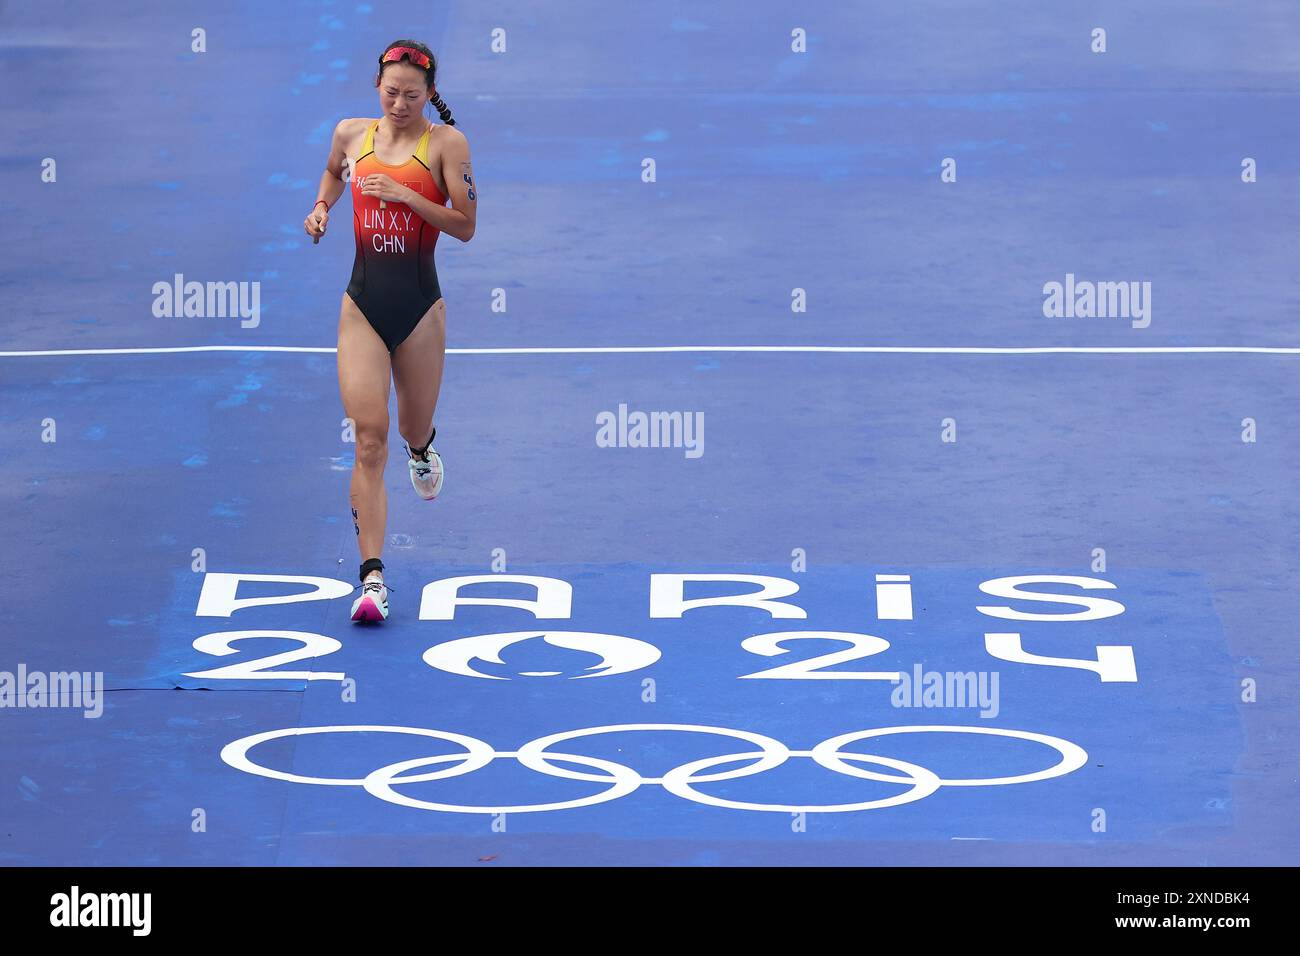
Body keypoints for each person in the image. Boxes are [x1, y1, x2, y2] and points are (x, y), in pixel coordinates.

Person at [304, 39, 477, 622]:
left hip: (421, 309)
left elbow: (466, 226)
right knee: (369, 438)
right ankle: (372, 579)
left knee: (409, 427)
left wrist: (403, 193)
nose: (400, 103)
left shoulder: (446, 146)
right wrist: (323, 208)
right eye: (391, 92)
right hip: (363, 307)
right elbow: (332, 174)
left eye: (412, 94)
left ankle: (423, 448)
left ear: (430, 94)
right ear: (376, 86)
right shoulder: (351, 134)